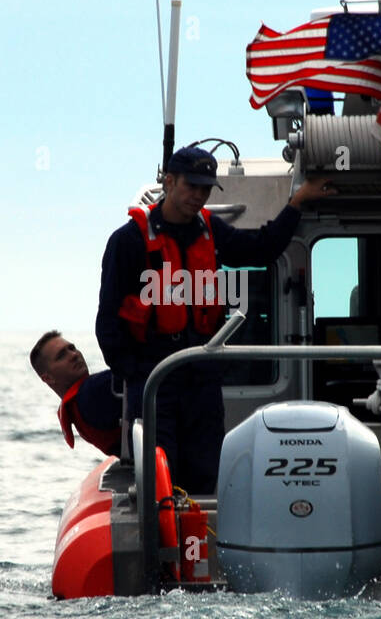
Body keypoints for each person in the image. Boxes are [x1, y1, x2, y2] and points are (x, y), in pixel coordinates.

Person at [96, 144, 333, 493]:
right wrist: (136, 375)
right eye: (191, 186)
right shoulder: (128, 241)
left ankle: (201, 541)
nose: (199, 195)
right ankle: (164, 544)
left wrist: (296, 204)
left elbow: (261, 249)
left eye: (205, 188)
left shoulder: (212, 231)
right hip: (155, 380)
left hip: (202, 380)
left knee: (206, 476)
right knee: (160, 479)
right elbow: (109, 324)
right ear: (170, 181)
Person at [29, 331, 122, 456]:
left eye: (72, 348)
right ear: (48, 378)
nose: (74, 355)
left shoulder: (76, 410)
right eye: (61, 356)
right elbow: (137, 373)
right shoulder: (91, 392)